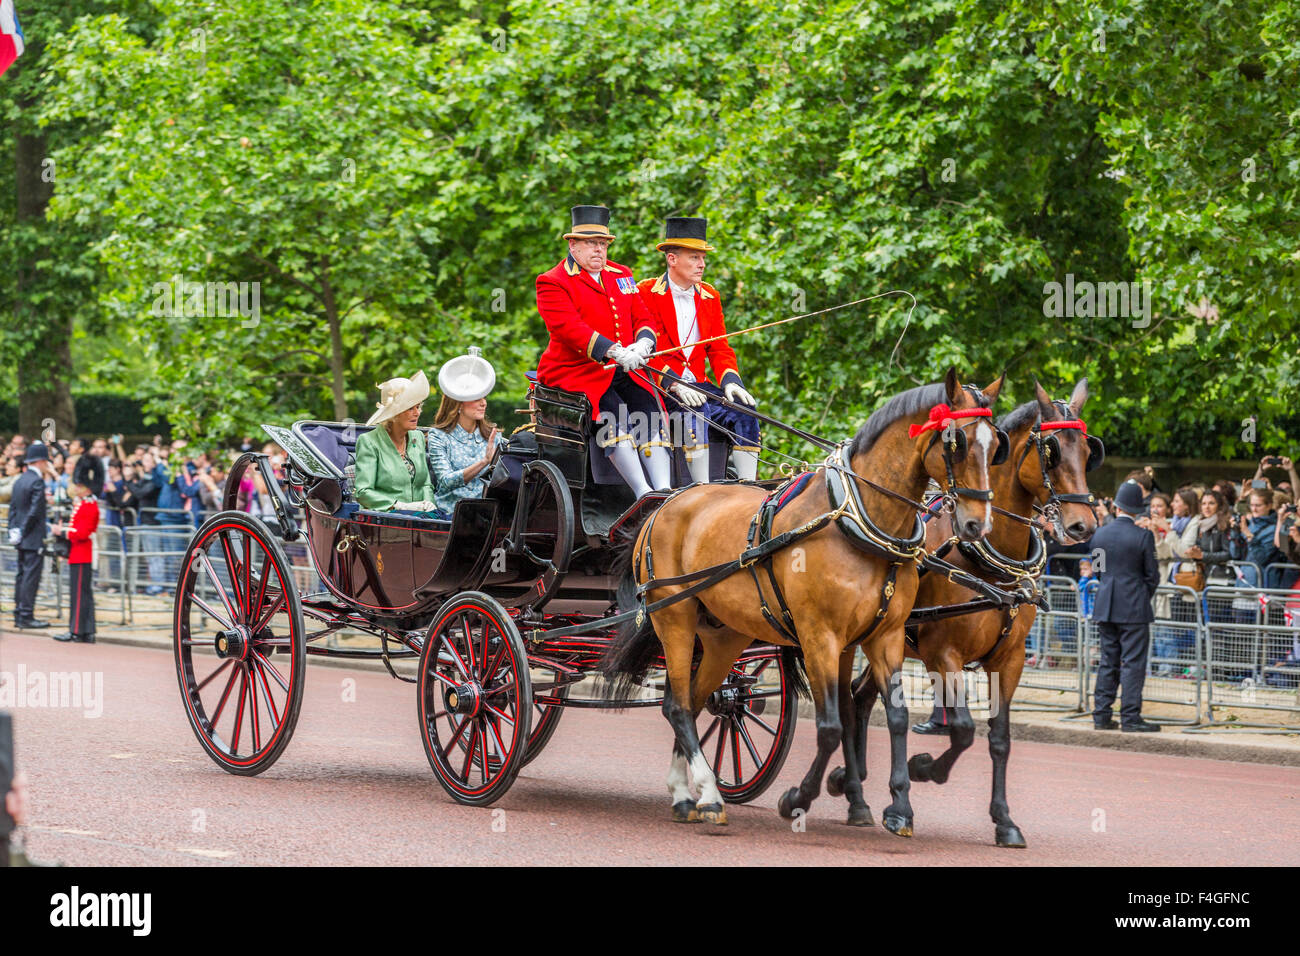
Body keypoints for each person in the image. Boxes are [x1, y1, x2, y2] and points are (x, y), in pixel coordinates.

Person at [535, 204, 671, 498]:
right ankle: (642, 492)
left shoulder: (621, 274)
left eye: (603, 244)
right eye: (591, 243)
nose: (599, 250)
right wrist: (615, 352)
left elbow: (643, 317)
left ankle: (663, 490)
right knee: (610, 413)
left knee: (648, 407)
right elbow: (569, 329)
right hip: (576, 372)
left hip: (621, 369)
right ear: (573, 245)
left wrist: (643, 343)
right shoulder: (552, 281)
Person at [634, 217, 761, 484]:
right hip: (662, 390)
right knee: (696, 411)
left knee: (744, 409)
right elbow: (645, 354)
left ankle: (750, 488)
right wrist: (674, 384)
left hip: (701, 386)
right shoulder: (644, 292)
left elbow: (719, 348)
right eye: (694, 257)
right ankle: (702, 491)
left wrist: (731, 381)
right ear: (672, 259)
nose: (702, 264)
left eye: (702, 258)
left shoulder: (710, 296)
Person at [1088, 480, 1161, 732]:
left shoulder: (1099, 533)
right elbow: (1153, 577)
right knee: (1133, 663)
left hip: (1105, 604)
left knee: (1108, 661)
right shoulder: (1143, 536)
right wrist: (1140, 595)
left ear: (1116, 506)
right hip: (1134, 607)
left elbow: (1098, 572)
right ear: (1137, 509)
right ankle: (1130, 717)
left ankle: (1101, 714)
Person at [427, 347, 500, 517]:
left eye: (484, 397)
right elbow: (445, 482)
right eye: (476, 398)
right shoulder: (438, 436)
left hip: (488, 517)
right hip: (452, 515)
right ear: (458, 404)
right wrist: (484, 462)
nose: (484, 403)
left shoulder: (494, 437)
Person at [353, 370, 438, 513]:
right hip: (384, 520)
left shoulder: (418, 437)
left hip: (420, 519)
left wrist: (429, 503)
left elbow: (425, 484)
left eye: (418, 407)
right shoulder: (368, 442)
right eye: (410, 408)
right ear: (394, 414)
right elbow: (363, 492)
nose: (417, 413)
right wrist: (399, 505)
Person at [7, 442, 56, 629]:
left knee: (21, 575)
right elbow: (35, 511)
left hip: (21, 535)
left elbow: (13, 509)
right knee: (30, 577)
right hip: (32, 536)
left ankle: (19, 613)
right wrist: (23, 530)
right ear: (41, 461)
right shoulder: (36, 481)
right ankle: (26, 615)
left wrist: (14, 529)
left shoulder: (20, 480)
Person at [52, 463, 100, 643]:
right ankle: (86, 631)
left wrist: (61, 532)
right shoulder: (84, 504)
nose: (76, 488)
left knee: (79, 595)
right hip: (78, 553)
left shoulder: (89, 506)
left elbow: (81, 533)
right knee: (82, 594)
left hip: (82, 554)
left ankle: (77, 631)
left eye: (79, 485)